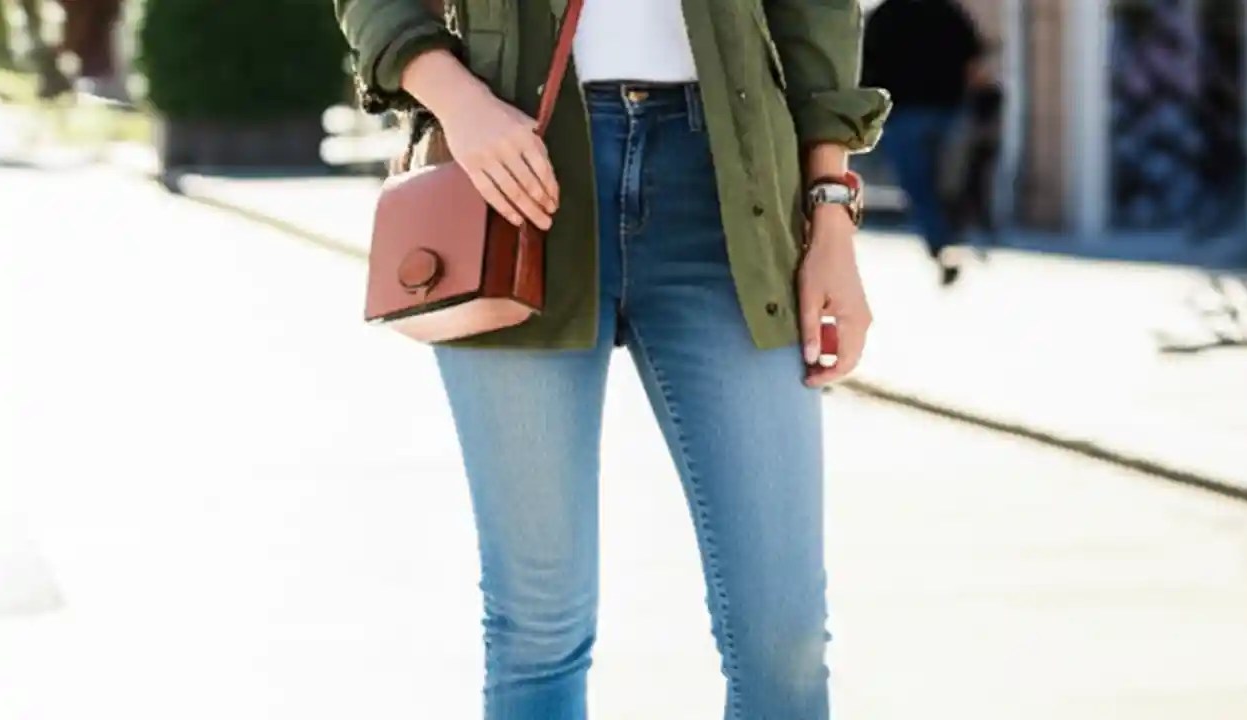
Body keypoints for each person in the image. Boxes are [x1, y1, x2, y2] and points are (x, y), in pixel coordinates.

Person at [335, 0, 890, 716]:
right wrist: (457, 99)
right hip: (511, 172)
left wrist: (830, 210)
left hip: (732, 186)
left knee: (784, 638)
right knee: (537, 633)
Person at [863, 0, 986, 285]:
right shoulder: (948, 11)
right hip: (947, 110)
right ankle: (949, 237)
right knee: (948, 182)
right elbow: (974, 63)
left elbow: (864, 67)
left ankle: (941, 242)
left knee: (918, 186)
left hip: (903, 112)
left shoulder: (885, 15)